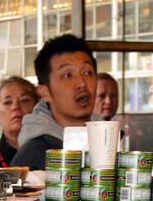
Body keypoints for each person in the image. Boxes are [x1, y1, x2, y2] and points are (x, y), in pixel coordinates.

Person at [16, 34, 98, 170]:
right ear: (44, 92)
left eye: (87, 73)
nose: (81, 83)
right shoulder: (34, 156)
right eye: (68, 75)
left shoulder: (107, 141)